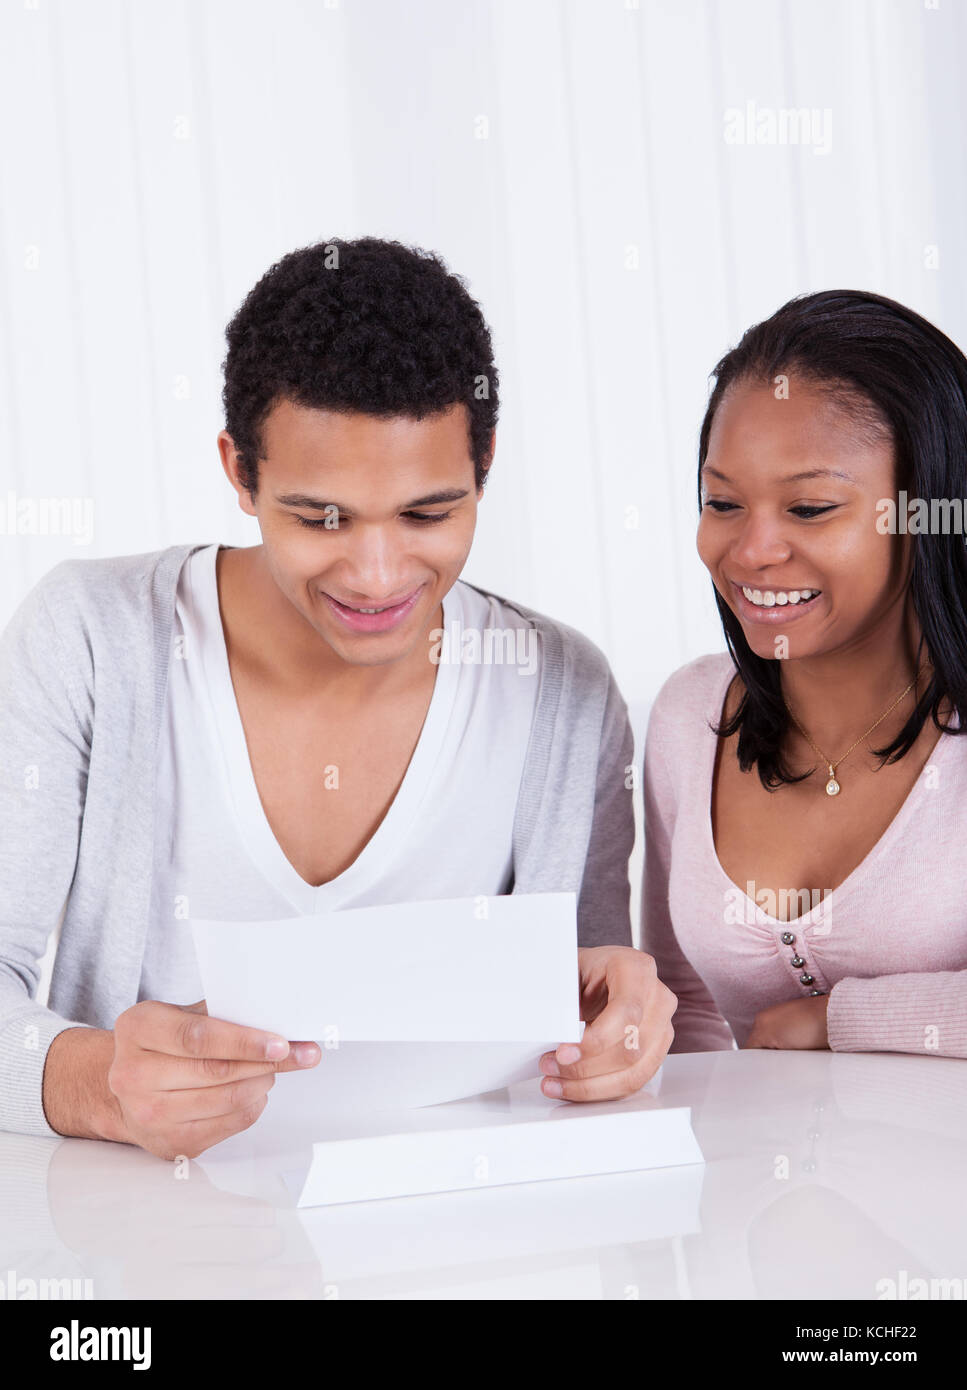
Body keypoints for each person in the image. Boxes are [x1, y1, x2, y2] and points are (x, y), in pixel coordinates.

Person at [0, 237, 674, 1159]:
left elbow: (581, 1008)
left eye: (427, 514)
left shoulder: (560, 690)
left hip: (463, 1248)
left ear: (484, 465)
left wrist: (615, 1031)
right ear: (241, 473)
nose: (377, 574)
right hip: (150, 1246)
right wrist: (94, 1084)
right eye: (321, 518)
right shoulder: (88, 638)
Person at [642, 289, 967, 1057]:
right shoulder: (687, 716)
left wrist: (833, 1022)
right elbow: (678, 1005)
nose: (751, 550)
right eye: (721, 502)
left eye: (811, 508)